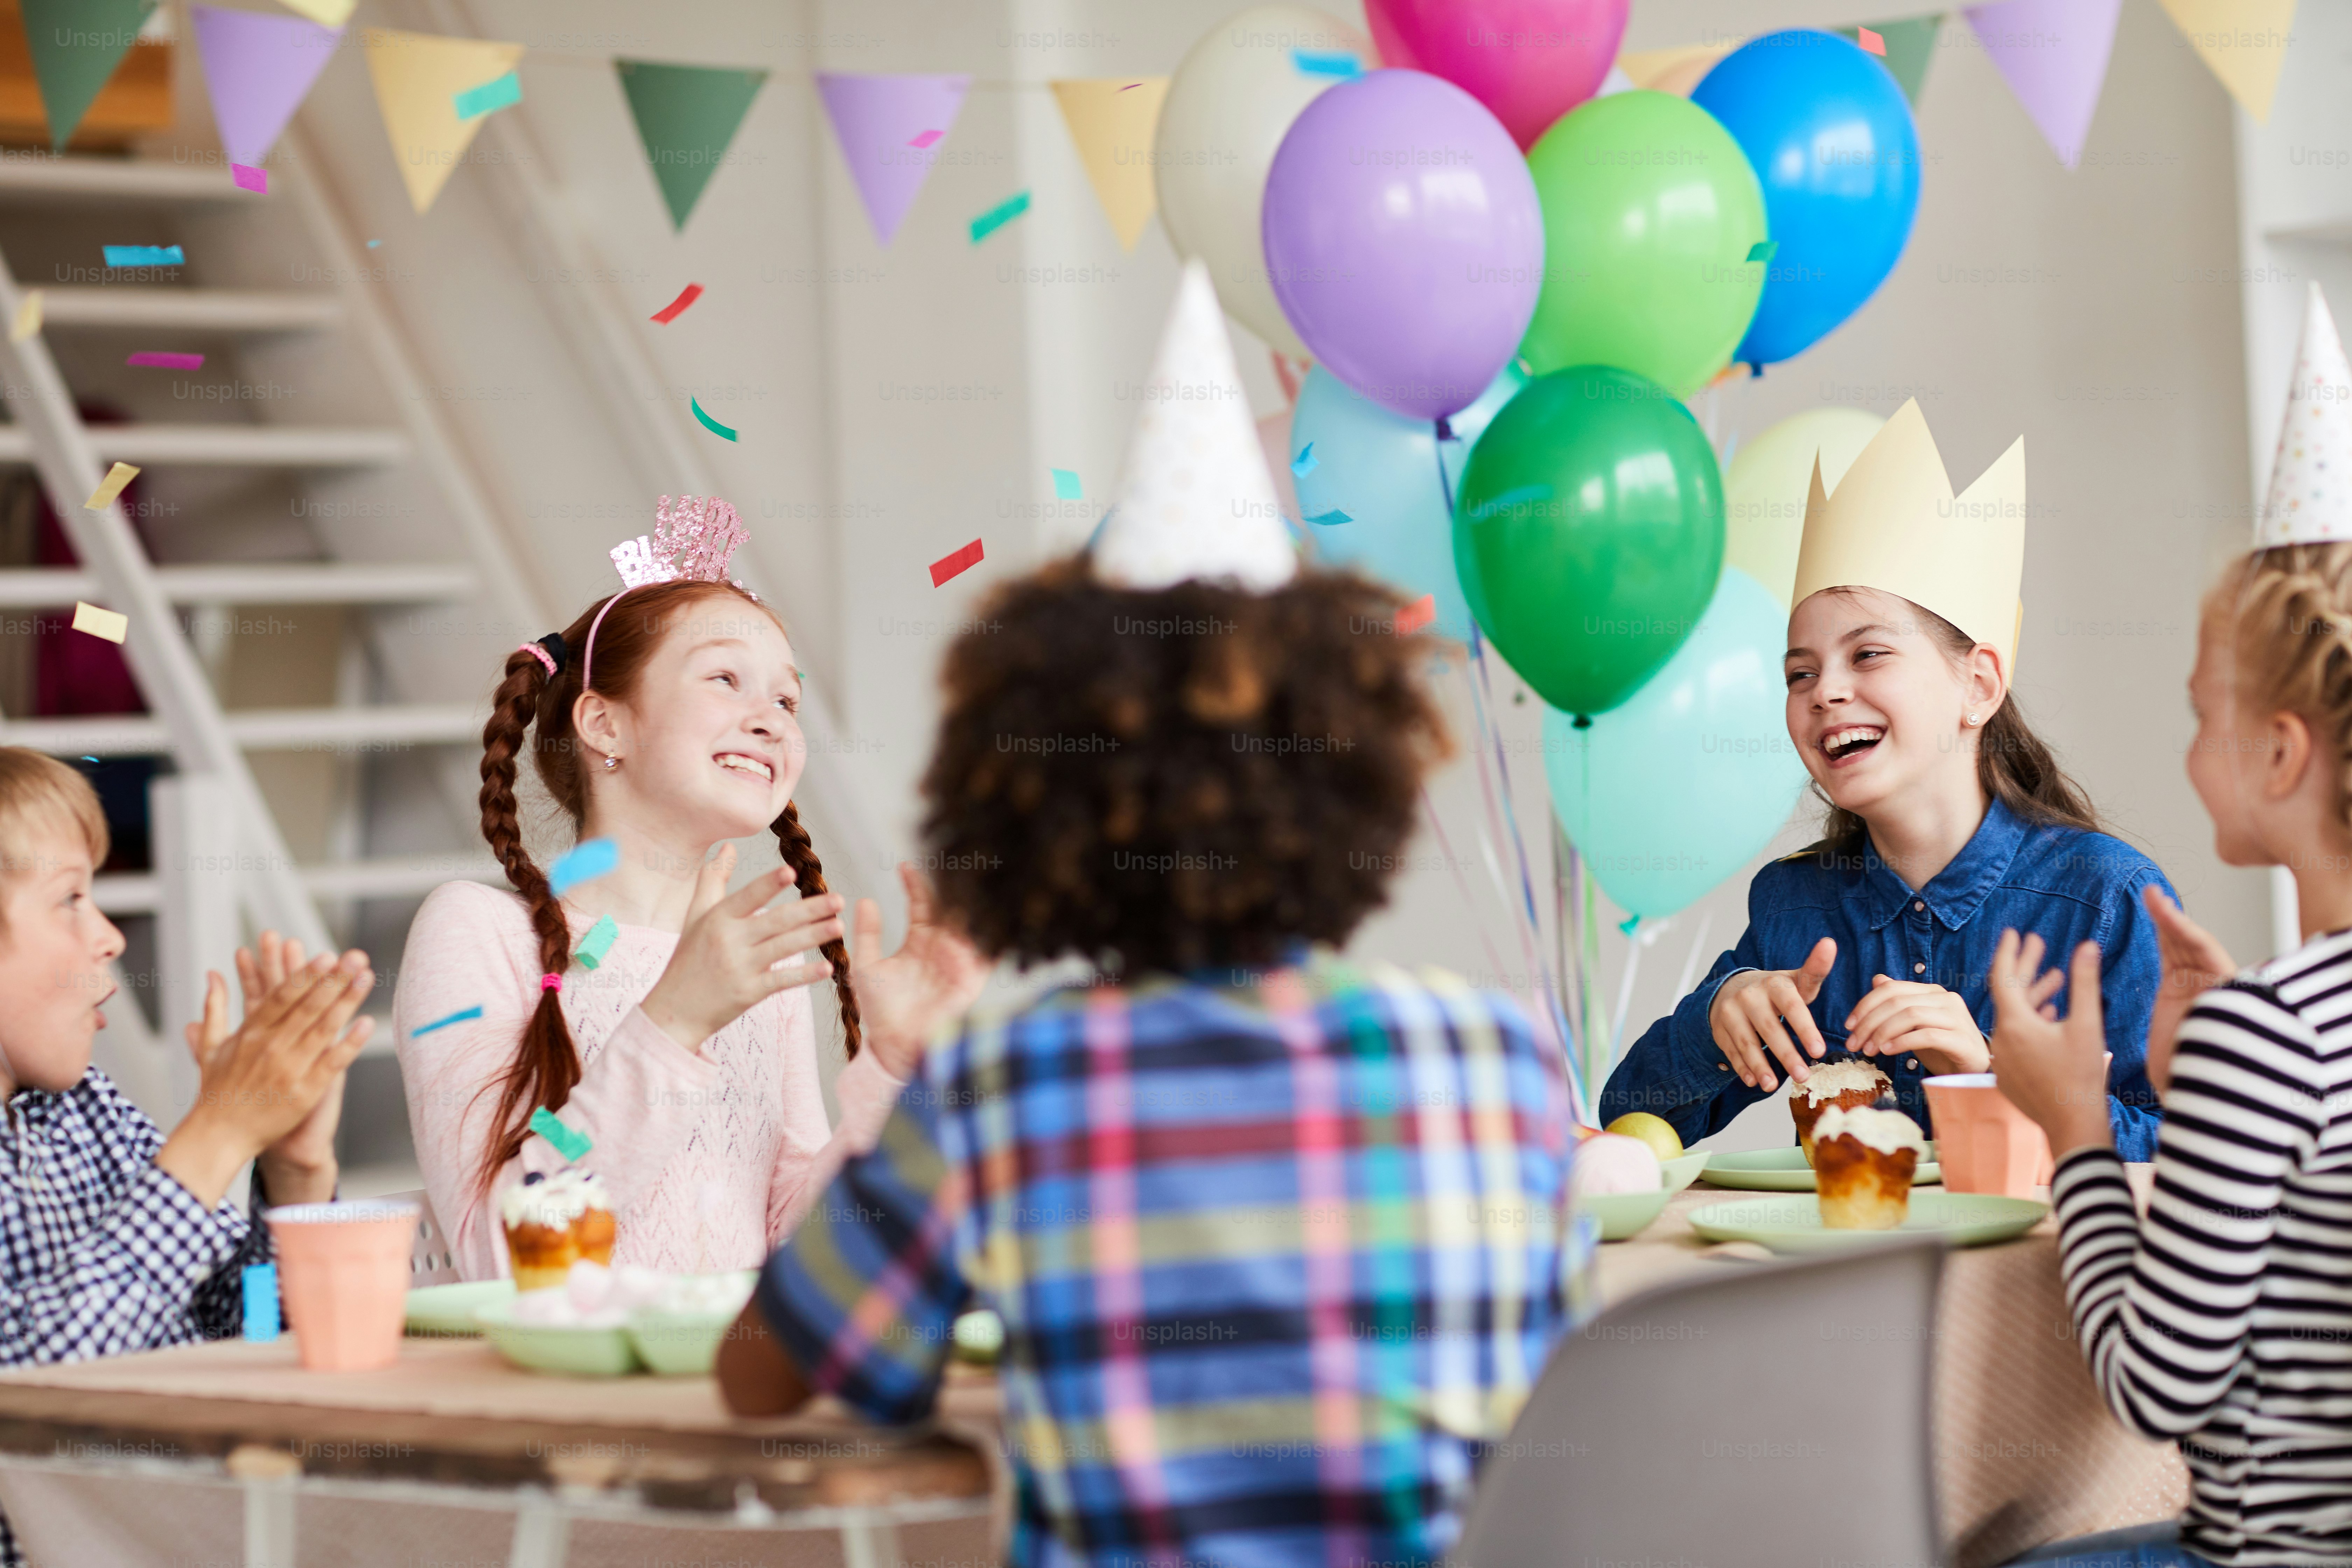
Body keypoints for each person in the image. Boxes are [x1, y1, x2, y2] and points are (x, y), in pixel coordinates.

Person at [713, 264, 1578, 1568]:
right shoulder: (1498, 1063)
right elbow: (1544, 1402)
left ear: (1033, 808)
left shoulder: (1006, 1080)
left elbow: (764, 1377)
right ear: (1352, 781)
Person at [1987, 286, 2352, 1568]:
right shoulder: (2284, 1022)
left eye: (2204, 714)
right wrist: (2247, 1028)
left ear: (2280, 748)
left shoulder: (2271, 1032)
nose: (2187, 749)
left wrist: (2075, 1121)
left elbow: (2157, 1388)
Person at [393, 496, 986, 1280]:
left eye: (786, 698)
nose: (771, 718)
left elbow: (796, 1248)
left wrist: (889, 1069)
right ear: (606, 725)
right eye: (726, 678)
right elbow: (502, 1254)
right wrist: (677, 1018)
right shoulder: (479, 932)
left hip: (729, 1393)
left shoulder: (759, 971)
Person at [1602, 400, 2172, 1159]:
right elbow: (1631, 1124)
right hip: (1852, 1275)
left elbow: (2193, 1156)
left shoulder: (2106, 901)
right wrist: (1714, 1021)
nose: (1825, 690)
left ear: (1978, 686)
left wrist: (1992, 1075)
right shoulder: (1794, 906)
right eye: (1800, 672)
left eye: (1867, 654)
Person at [0, 750, 373, 1563]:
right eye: (70, 898)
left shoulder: (87, 1110)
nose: (107, 935)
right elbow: (34, 1404)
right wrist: (216, 1135)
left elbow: (247, 1337)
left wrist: (293, 1172)